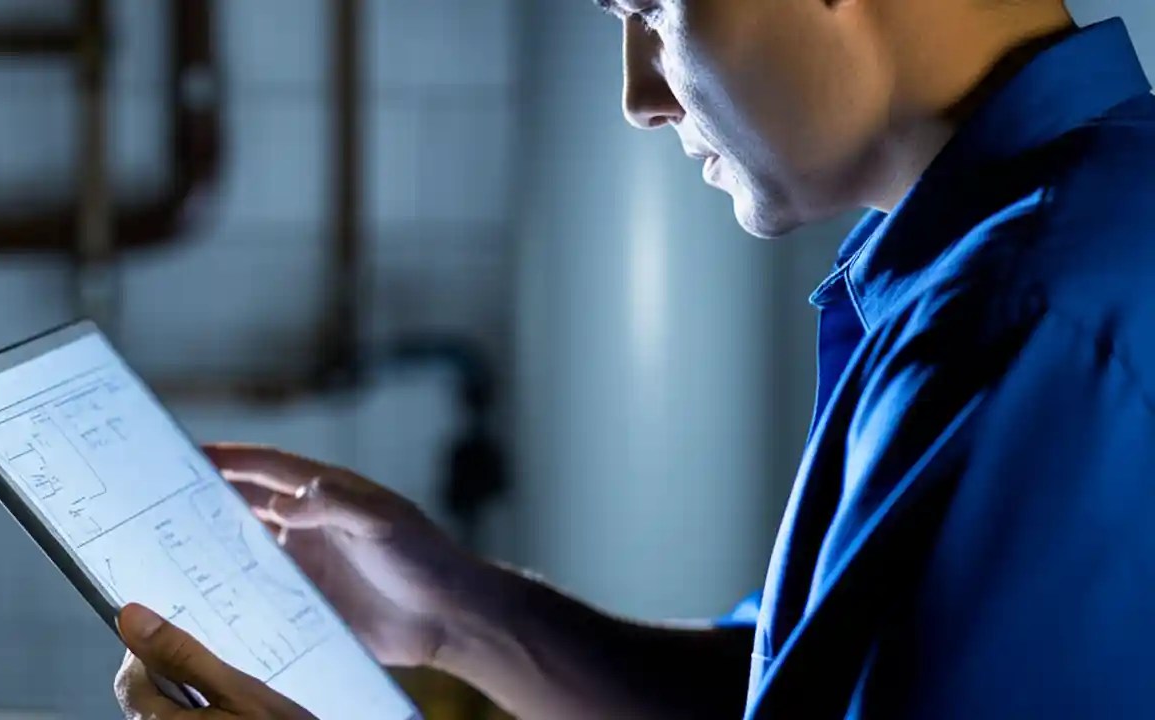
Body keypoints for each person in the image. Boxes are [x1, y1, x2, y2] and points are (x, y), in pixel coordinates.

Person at [116, 0, 1155, 717]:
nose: (640, 96)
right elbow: (797, 693)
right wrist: (457, 613)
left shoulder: (1031, 316)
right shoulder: (1036, 244)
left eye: (651, 13)